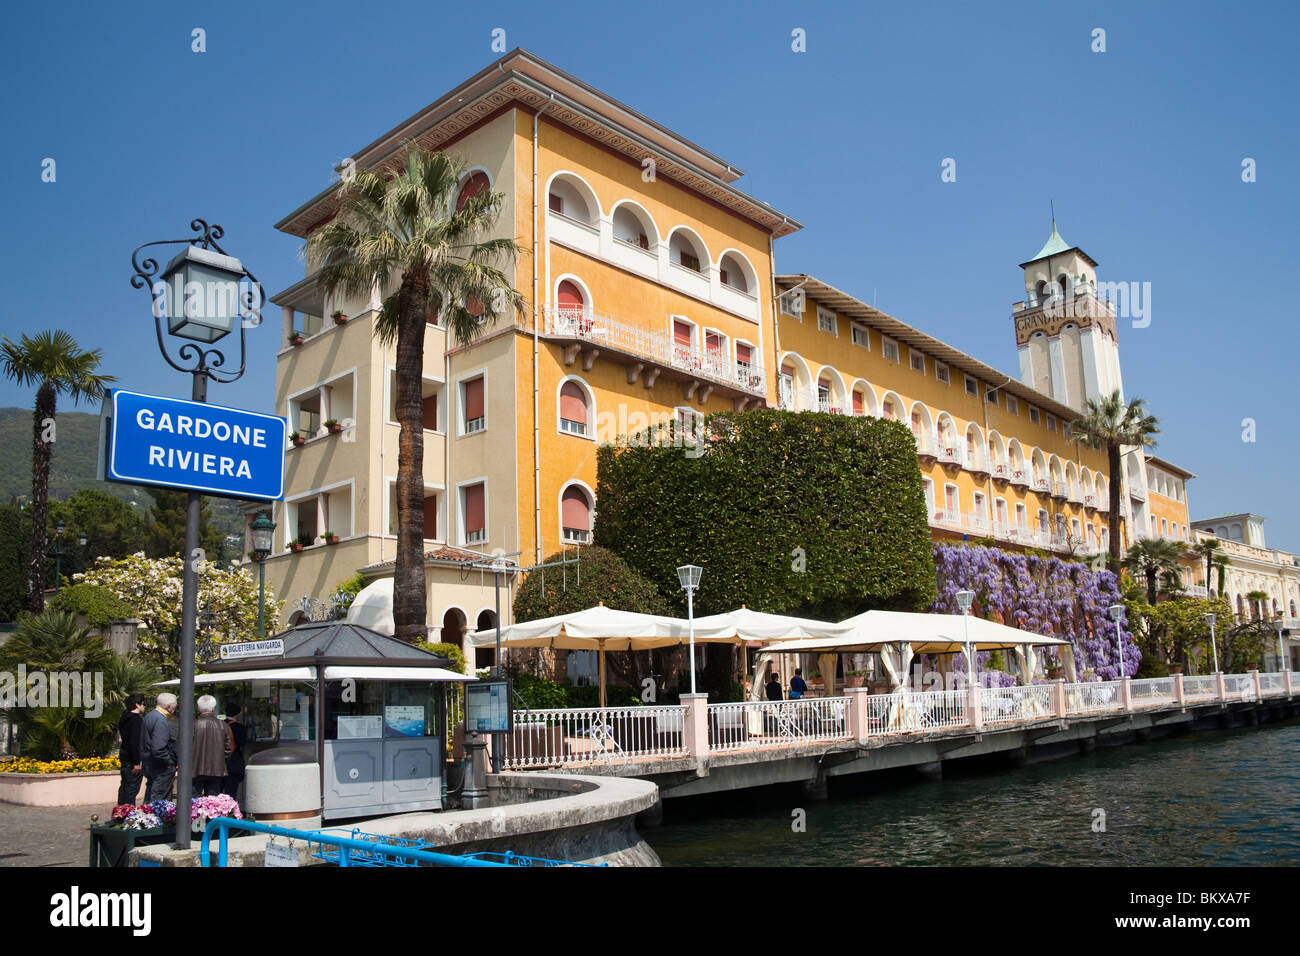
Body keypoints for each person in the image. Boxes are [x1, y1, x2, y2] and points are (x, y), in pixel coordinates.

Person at [193, 694, 233, 797]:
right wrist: (221, 761)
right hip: (216, 769)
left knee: (193, 803)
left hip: (195, 769)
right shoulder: (223, 725)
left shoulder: (193, 724)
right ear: (213, 708)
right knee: (212, 804)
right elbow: (228, 749)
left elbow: (184, 748)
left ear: (198, 708)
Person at [141, 693, 178, 802]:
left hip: (150, 763)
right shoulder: (160, 720)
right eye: (174, 706)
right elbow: (158, 748)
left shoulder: (150, 716)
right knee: (159, 799)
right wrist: (169, 762)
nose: (174, 709)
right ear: (168, 706)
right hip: (160, 766)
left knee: (151, 796)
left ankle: (148, 817)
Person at [116, 693, 146, 805]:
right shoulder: (136, 720)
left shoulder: (125, 717)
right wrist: (136, 763)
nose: (144, 706)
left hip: (125, 757)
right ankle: (128, 816)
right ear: (137, 705)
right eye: (143, 704)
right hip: (132, 761)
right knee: (131, 789)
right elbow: (135, 743)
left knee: (125, 787)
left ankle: (120, 812)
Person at [221, 702, 247, 799]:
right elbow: (242, 742)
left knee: (218, 791)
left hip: (219, 763)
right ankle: (229, 812)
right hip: (233, 762)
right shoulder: (238, 727)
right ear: (237, 714)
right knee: (231, 792)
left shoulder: (220, 725)